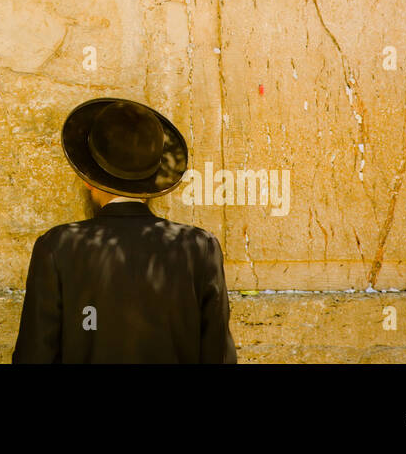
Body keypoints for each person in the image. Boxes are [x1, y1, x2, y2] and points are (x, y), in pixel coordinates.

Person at [12, 97, 237, 364]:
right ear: (152, 182)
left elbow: (34, 357)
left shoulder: (56, 247)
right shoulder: (200, 247)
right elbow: (219, 357)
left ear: (88, 180)